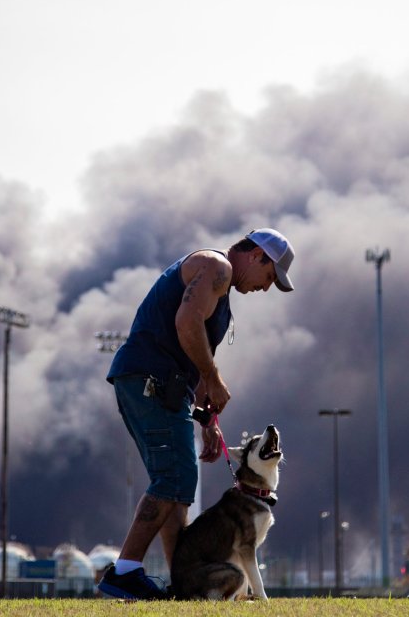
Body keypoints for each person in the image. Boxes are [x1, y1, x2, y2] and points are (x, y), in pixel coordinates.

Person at [96, 228, 296, 600]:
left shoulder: (222, 296)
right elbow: (186, 325)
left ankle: (184, 584)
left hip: (161, 385)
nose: (266, 288)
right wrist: (213, 377)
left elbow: (194, 354)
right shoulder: (214, 267)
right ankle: (124, 573)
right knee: (174, 478)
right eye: (269, 277)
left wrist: (208, 420)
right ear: (257, 257)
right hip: (149, 380)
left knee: (178, 485)